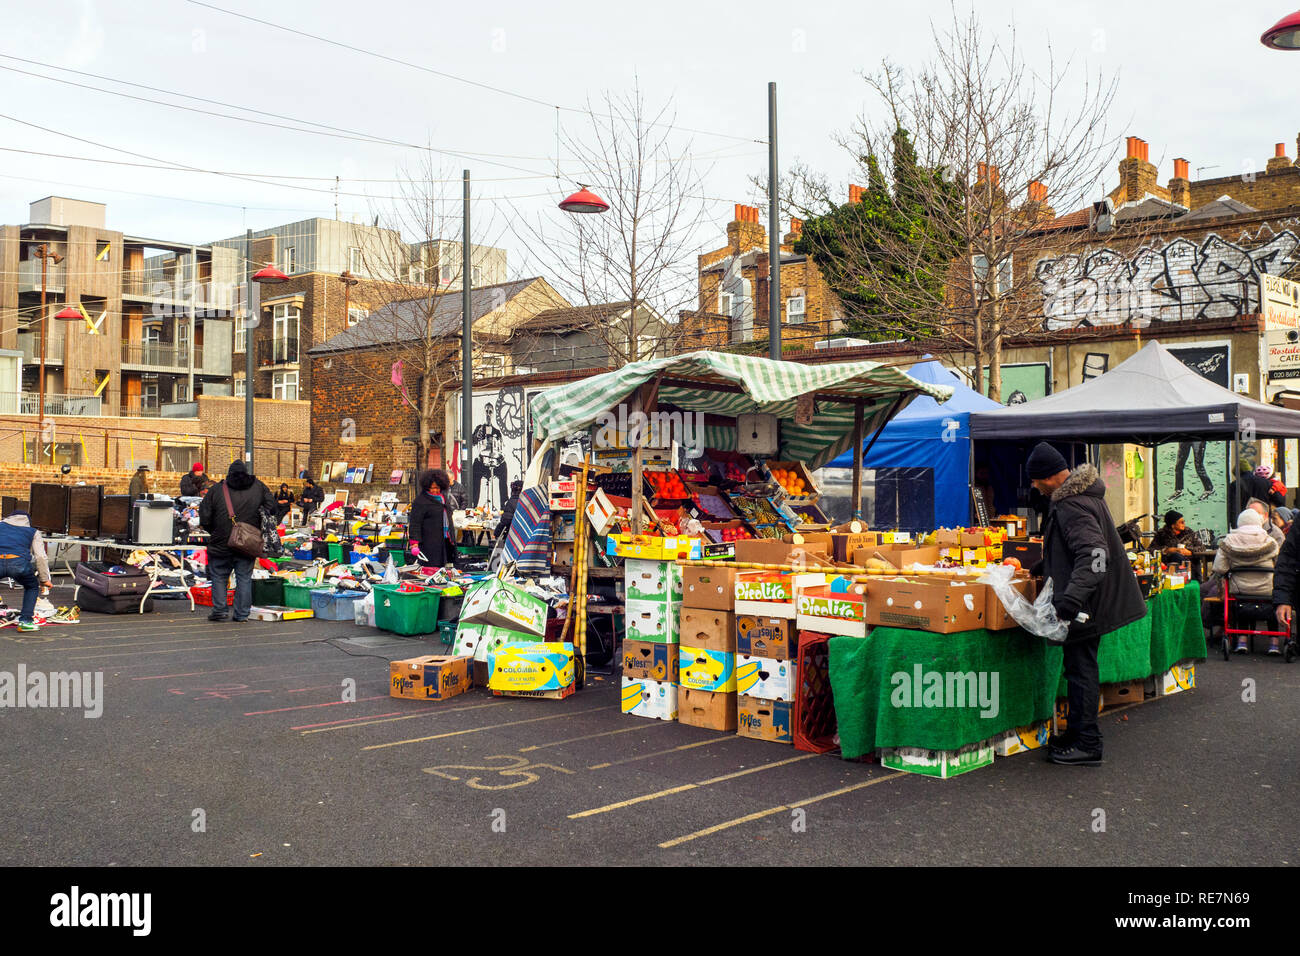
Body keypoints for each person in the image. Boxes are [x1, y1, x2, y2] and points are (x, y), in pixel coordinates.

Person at [1026, 442, 1145, 767]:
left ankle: (1087, 743)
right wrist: (1042, 567)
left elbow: (1094, 555)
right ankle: (1077, 734)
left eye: (1035, 481)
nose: (1034, 487)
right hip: (1092, 601)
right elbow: (1078, 549)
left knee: (1081, 671)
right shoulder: (1083, 497)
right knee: (1080, 668)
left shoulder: (1071, 504)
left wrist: (1070, 600)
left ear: (1048, 477)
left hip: (1086, 605)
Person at [198, 461, 275, 622]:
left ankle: (219, 610)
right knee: (244, 578)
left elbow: (204, 515)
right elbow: (272, 507)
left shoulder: (217, 489)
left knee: (219, 576)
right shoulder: (258, 487)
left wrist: (214, 530)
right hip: (248, 541)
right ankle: (241, 614)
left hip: (221, 540)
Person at [1209, 509, 1280, 654]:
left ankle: (1242, 640)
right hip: (1266, 588)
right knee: (1273, 602)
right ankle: (1274, 643)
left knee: (1239, 601)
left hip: (1240, 589)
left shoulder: (1228, 542)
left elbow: (1219, 567)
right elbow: (1279, 566)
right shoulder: (1270, 541)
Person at [0, 511, 52, 631]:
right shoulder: (33, 531)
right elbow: (40, 557)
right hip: (18, 563)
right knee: (32, 586)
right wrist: (44, 580)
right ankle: (25, 621)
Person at [408, 468, 457, 569]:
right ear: (427, 487)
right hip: (428, 543)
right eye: (432, 488)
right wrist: (414, 543)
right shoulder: (420, 501)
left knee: (445, 568)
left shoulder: (443, 498)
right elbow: (415, 523)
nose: (435, 490)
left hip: (445, 540)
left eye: (437, 488)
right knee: (430, 568)